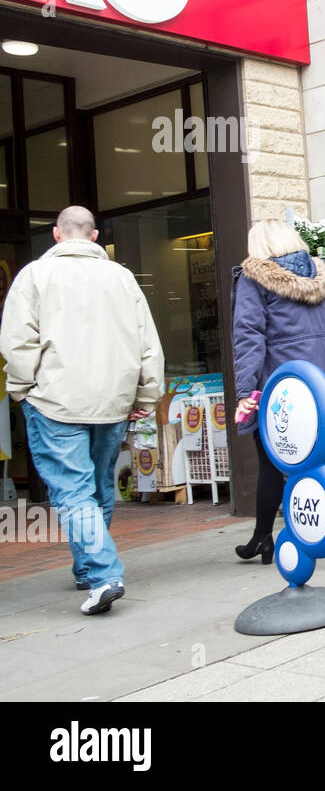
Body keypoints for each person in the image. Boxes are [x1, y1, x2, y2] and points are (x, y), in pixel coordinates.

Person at [0, 206, 163, 615]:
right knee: (97, 489)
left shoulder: (34, 275)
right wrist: (146, 395)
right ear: (93, 238)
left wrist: (20, 390)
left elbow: (18, 341)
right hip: (112, 400)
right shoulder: (123, 278)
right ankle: (87, 569)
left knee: (74, 493)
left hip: (55, 400)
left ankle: (105, 574)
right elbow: (148, 342)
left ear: (57, 234)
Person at [231, 220, 325, 569]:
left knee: (270, 462)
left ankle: (263, 538)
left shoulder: (253, 278)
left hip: (282, 386)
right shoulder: (315, 278)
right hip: (323, 382)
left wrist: (246, 391)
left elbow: (248, 335)